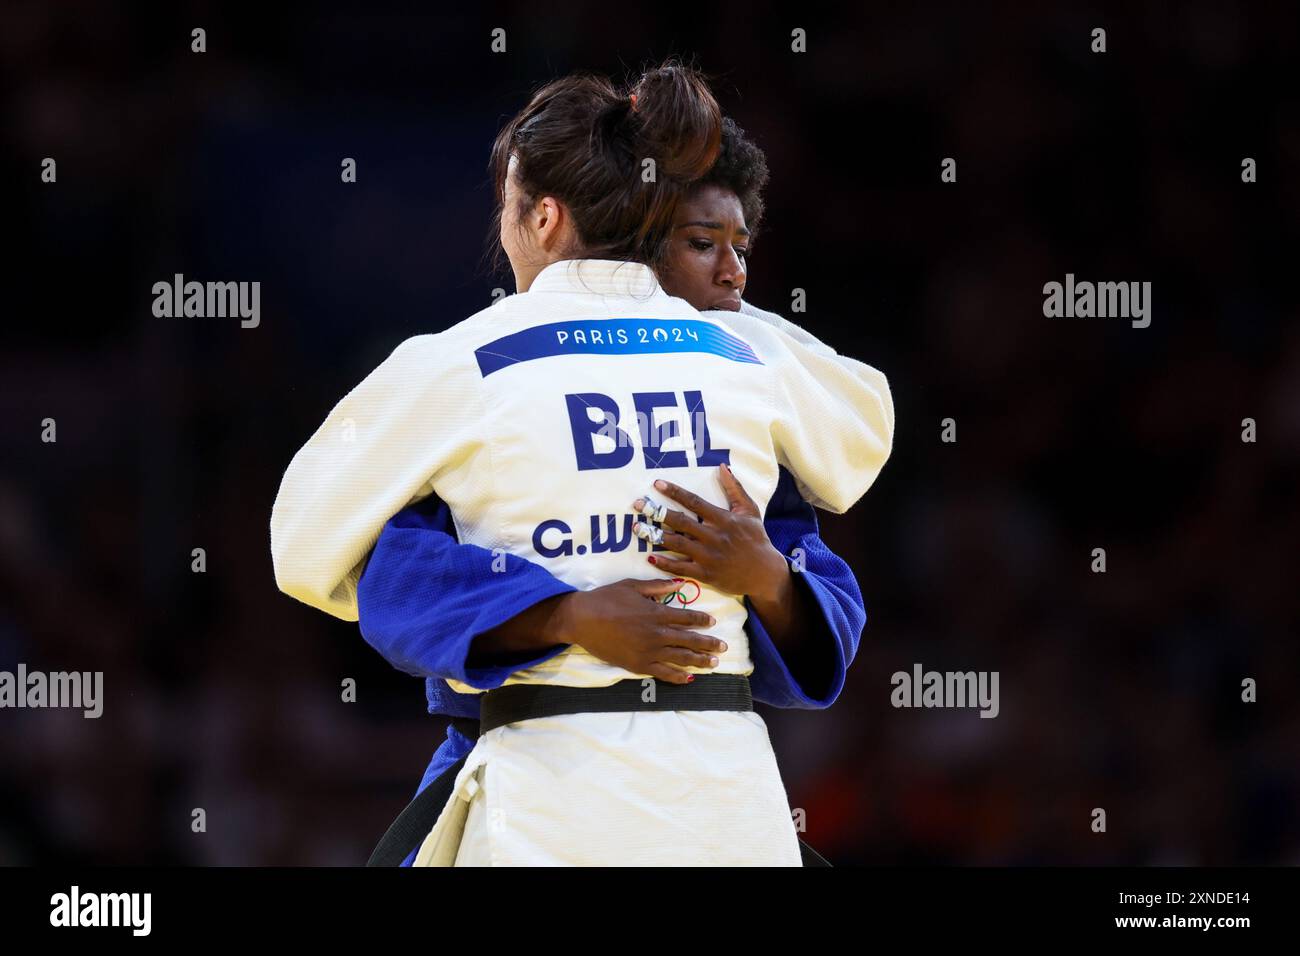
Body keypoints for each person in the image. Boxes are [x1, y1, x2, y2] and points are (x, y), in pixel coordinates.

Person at [270, 62, 894, 865]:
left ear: (542, 218)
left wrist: (556, 612)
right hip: (728, 798)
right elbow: (863, 429)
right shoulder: (752, 351)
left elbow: (303, 544)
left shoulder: (459, 362)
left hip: (543, 794)